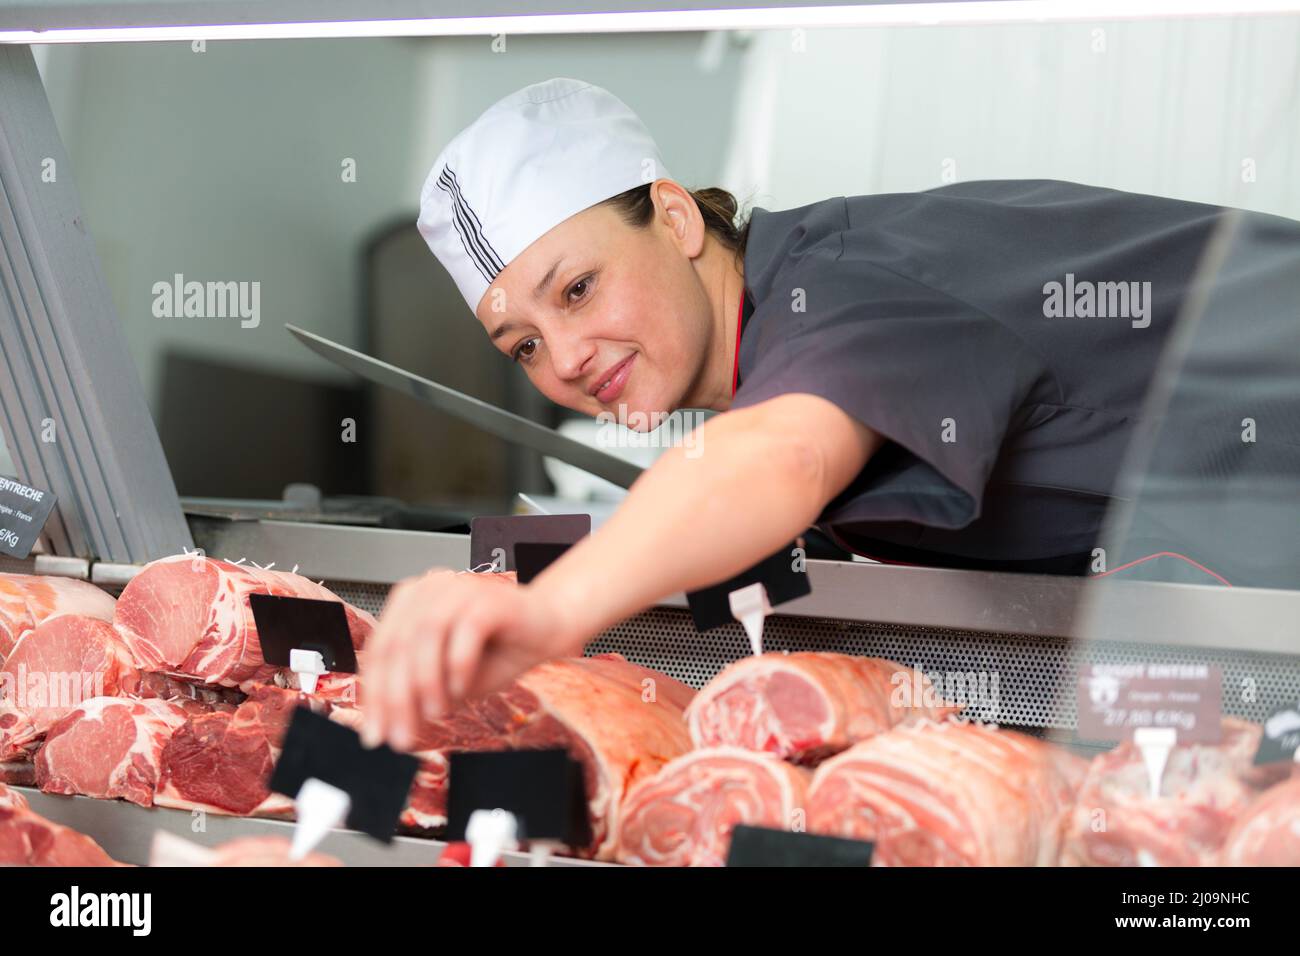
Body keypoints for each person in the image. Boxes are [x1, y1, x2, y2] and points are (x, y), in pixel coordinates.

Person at [360, 76, 1300, 749]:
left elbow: (781, 456)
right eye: (522, 345)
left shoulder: (832, 286)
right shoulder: (779, 334)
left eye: (577, 289)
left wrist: (552, 610)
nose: (563, 358)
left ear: (678, 218)